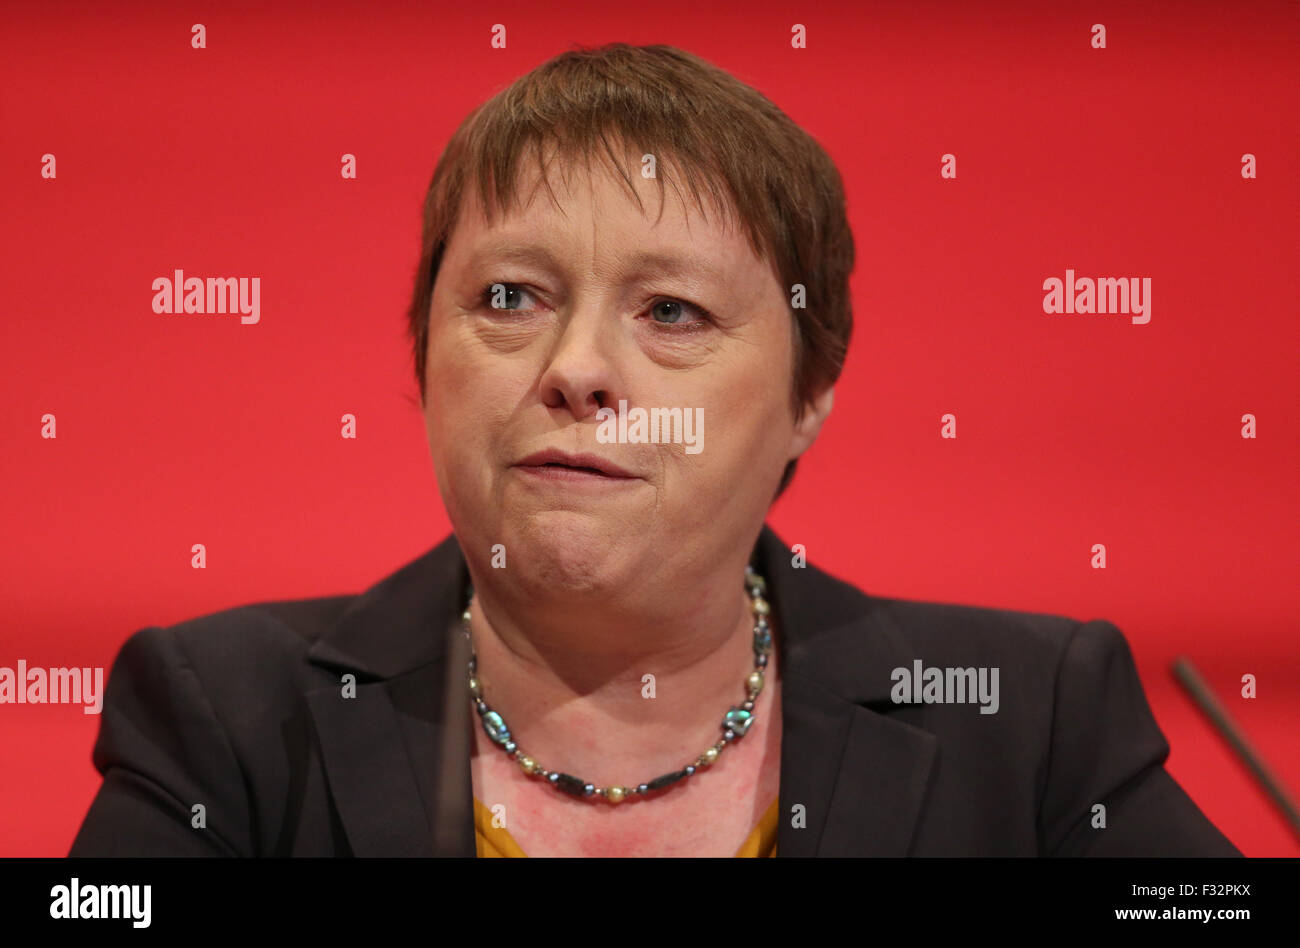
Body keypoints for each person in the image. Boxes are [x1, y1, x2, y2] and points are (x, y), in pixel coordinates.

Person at [69, 43, 1240, 857]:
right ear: (421, 356)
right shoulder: (224, 719)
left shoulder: (1023, 722)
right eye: (512, 296)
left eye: (671, 312)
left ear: (810, 393)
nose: (575, 369)